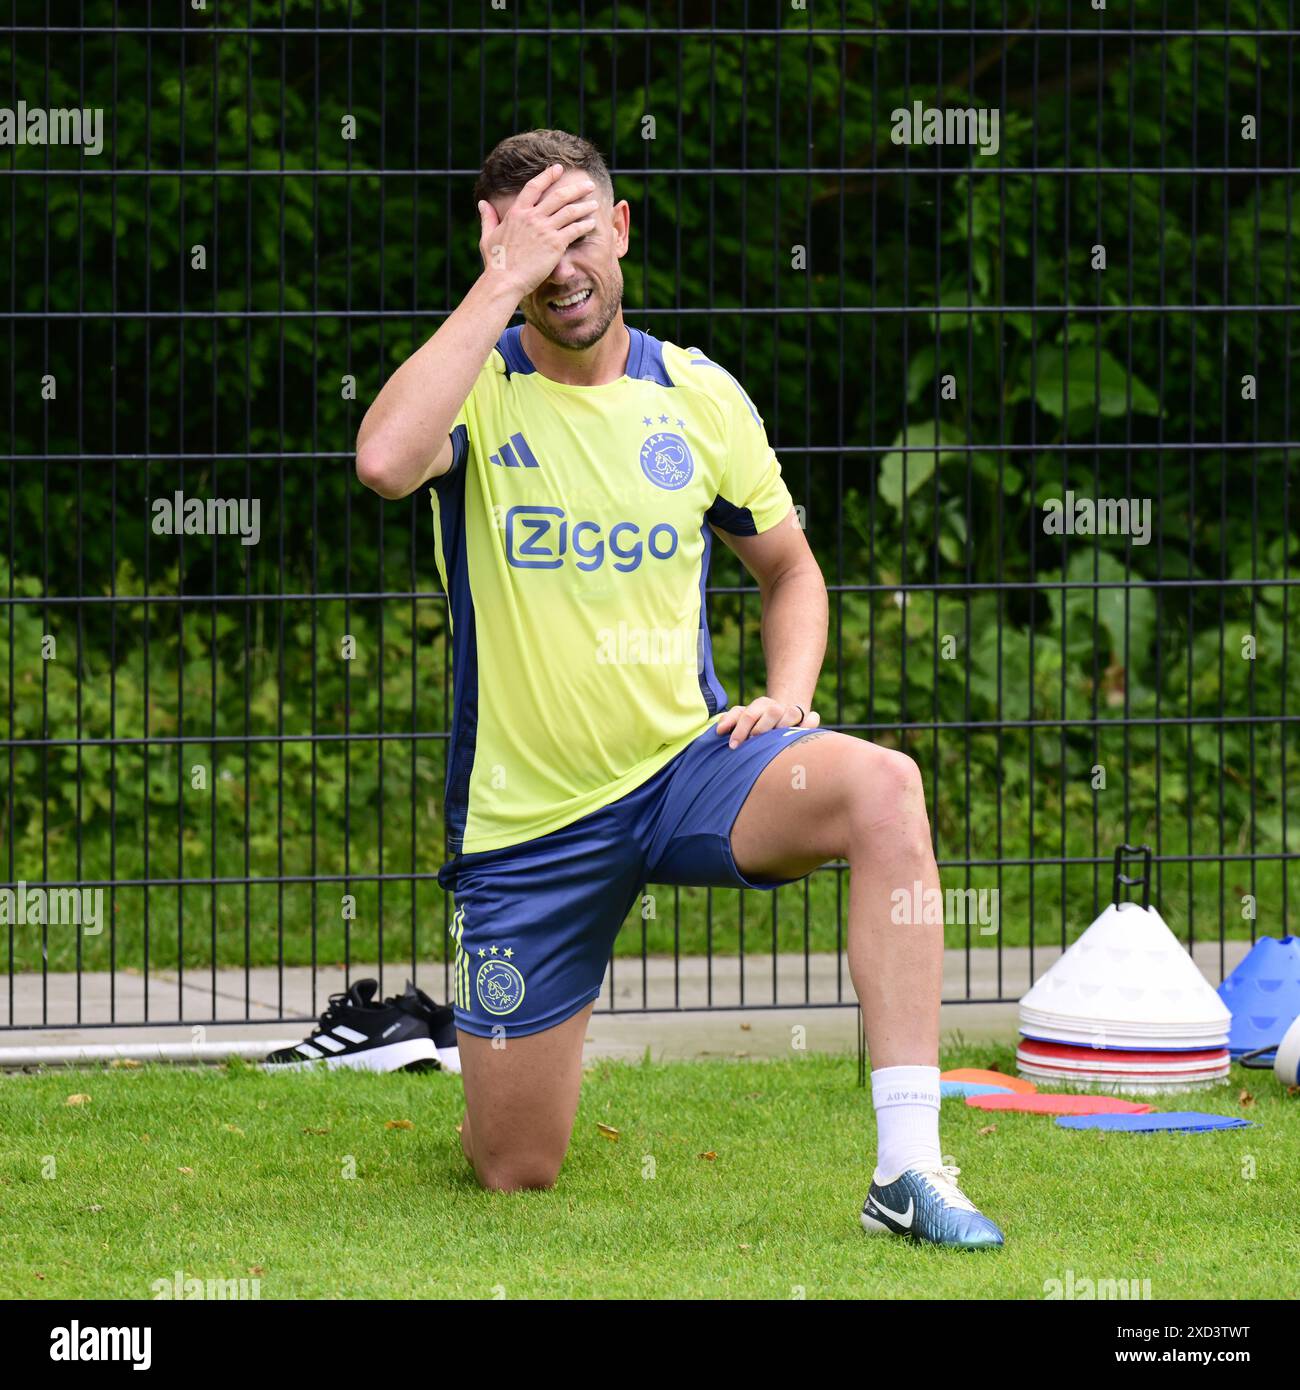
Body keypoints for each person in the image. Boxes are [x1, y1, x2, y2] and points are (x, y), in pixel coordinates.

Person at [355, 129, 1003, 1249]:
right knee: (515, 1167)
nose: (563, 268)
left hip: (686, 771)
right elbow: (381, 461)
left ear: (619, 230)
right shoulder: (477, 386)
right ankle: (484, 1048)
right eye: (530, 241)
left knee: (884, 788)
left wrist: (790, 695)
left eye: (579, 235)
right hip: (528, 827)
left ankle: (908, 1168)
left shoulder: (698, 396)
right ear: (493, 242)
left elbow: (790, 569)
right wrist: (496, 280)